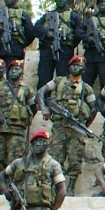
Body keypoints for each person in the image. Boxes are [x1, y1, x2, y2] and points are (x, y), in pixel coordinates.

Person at [38, 54, 98, 193]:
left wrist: (84, 126)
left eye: (80, 66)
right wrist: (44, 108)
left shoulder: (86, 88)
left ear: (83, 70)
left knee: (75, 158)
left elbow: (94, 108)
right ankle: (54, 186)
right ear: (69, 66)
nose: (76, 67)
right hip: (59, 127)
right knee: (56, 156)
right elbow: (41, 92)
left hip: (76, 129)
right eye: (74, 65)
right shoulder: (58, 81)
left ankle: (70, 188)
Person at [33, 0, 79, 87]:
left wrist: (69, 44)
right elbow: (36, 27)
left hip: (65, 50)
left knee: (64, 77)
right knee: (44, 77)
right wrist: (47, 33)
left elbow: (78, 33)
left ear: (67, 0)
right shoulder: (47, 15)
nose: (61, 0)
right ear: (55, 0)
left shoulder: (73, 16)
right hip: (47, 50)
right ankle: (42, 100)